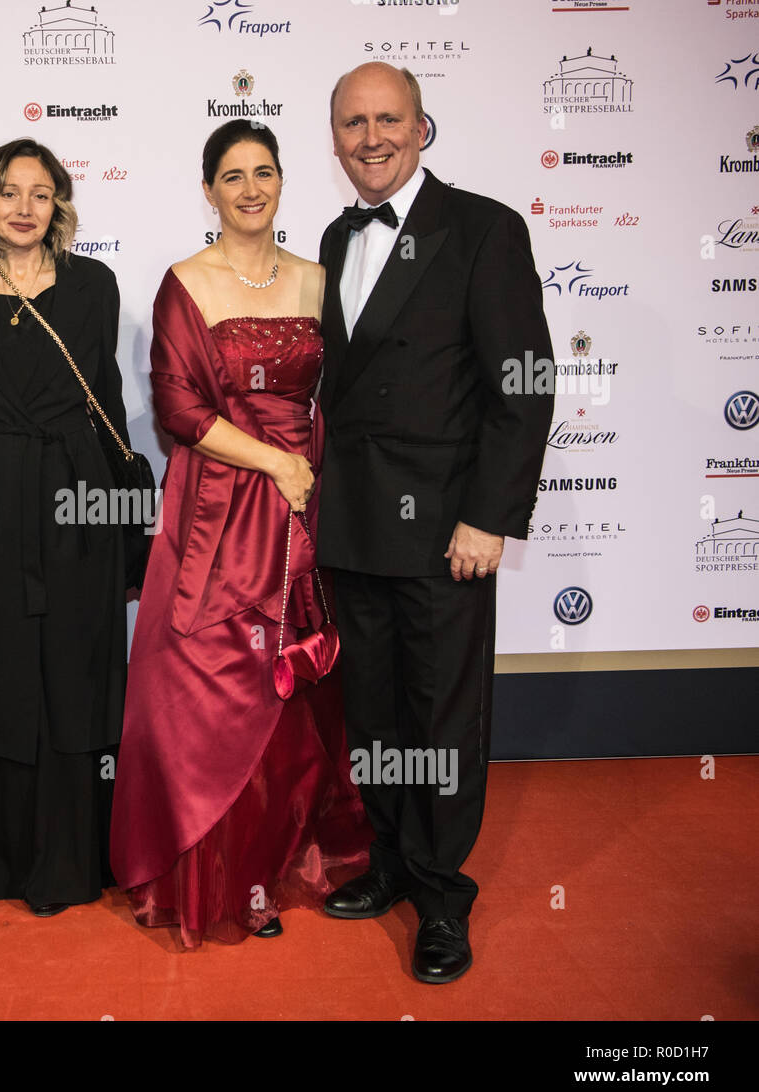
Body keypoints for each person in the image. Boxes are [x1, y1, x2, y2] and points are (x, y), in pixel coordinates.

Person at [317, 63, 553, 982]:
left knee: (443, 720)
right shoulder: (336, 238)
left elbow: (523, 386)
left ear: (423, 127)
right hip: (355, 525)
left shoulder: (484, 228)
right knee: (374, 711)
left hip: (446, 532)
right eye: (352, 123)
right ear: (334, 138)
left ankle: (442, 896)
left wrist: (489, 518)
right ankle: (385, 862)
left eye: (387, 119)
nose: (370, 137)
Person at [110, 120, 371, 947]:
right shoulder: (185, 281)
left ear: (284, 182)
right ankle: (208, 872)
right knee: (208, 683)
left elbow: (351, 391)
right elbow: (181, 410)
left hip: (304, 507)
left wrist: (310, 472)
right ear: (209, 190)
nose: (250, 188)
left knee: (289, 689)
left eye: (264, 172)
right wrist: (274, 462)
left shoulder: (317, 279)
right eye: (232, 176)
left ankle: (272, 864)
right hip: (220, 506)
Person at [0, 139, 127, 917]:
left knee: (74, 666)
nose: (24, 207)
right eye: (8, 192)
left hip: (76, 493)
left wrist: (124, 525)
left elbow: (109, 402)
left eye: (41, 192)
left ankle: (76, 859)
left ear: (60, 205)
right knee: (3, 670)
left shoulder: (94, 284)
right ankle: (13, 860)